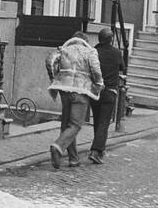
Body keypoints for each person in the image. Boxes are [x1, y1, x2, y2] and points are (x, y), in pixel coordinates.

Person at [45, 33, 103, 169]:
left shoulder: (63, 49)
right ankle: (58, 146)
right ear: (85, 41)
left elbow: (50, 61)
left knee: (67, 125)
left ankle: (73, 159)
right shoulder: (90, 51)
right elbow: (96, 69)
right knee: (75, 125)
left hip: (64, 89)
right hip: (81, 90)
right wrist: (98, 83)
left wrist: (54, 79)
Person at [88, 27, 125, 164]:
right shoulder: (116, 53)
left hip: (95, 90)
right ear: (111, 40)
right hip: (109, 91)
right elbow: (122, 67)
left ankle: (100, 148)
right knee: (104, 122)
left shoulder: (94, 52)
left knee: (97, 121)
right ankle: (96, 150)